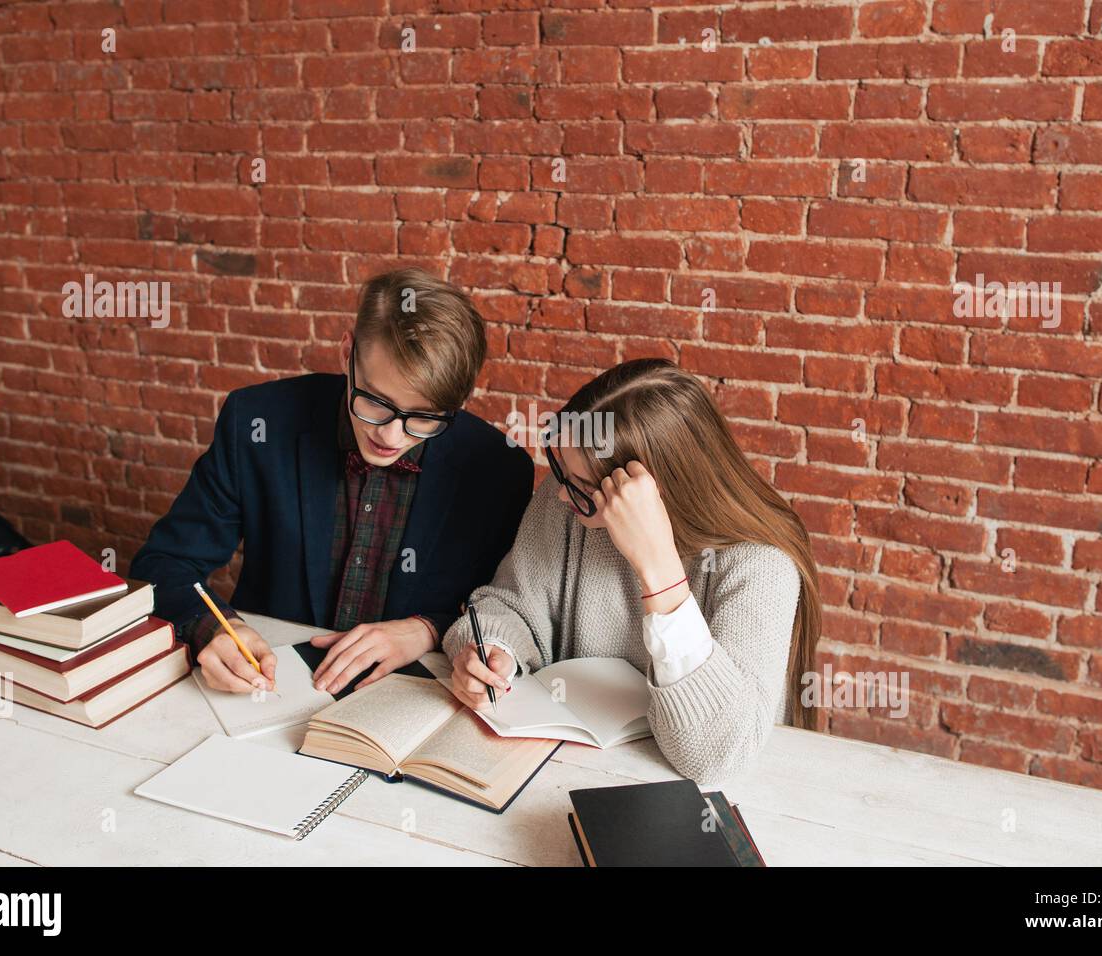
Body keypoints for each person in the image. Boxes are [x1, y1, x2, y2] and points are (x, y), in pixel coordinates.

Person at [131, 268, 534, 695]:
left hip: (412, 699)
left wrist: (428, 629)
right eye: (376, 402)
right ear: (347, 353)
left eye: (423, 417)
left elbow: (505, 607)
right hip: (267, 688)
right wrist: (214, 628)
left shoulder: (497, 468)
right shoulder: (257, 422)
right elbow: (164, 565)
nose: (390, 436)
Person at [443, 358, 821, 783]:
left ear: (648, 490)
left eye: (583, 487)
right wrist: (494, 650)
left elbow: (717, 756)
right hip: (559, 771)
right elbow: (507, 604)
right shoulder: (567, 500)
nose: (563, 495)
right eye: (561, 469)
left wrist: (657, 567)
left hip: (694, 799)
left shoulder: (761, 564)